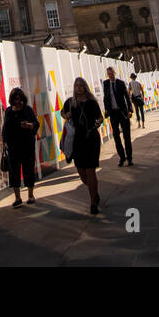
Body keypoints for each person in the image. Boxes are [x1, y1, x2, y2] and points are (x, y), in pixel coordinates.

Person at [61, 77, 104, 214]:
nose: (78, 87)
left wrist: (98, 122)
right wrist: (66, 115)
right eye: (76, 85)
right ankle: (94, 192)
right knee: (82, 173)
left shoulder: (92, 102)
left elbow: (100, 116)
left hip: (91, 138)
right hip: (77, 140)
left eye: (81, 85)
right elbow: (62, 112)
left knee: (90, 170)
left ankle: (93, 203)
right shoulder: (70, 102)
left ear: (85, 87)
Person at [1, 87, 40, 206]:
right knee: (14, 172)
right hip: (13, 146)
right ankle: (17, 197)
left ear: (22, 98)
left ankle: (30, 195)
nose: (17, 101)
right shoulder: (8, 111)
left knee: (28, 169)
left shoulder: (27, 110)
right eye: (15, 99)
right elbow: (5, 127)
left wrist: (28, 125)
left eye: (19, 98)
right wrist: (4, 140)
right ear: (12, 100)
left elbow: (36, 124)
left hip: (27, 145)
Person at [102, 67, 134, 166]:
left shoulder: (120, 83)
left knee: (127, 136)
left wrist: (130, 110)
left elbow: (127, 97)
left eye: (111, 73)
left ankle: (129, 158)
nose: (110, 75)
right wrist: (107, 109)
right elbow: (106, 98)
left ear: (115, 73)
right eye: (108, 74)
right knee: (116, 136)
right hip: (113, 114)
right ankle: (121, 157)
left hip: (122, 112)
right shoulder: (106, 84)